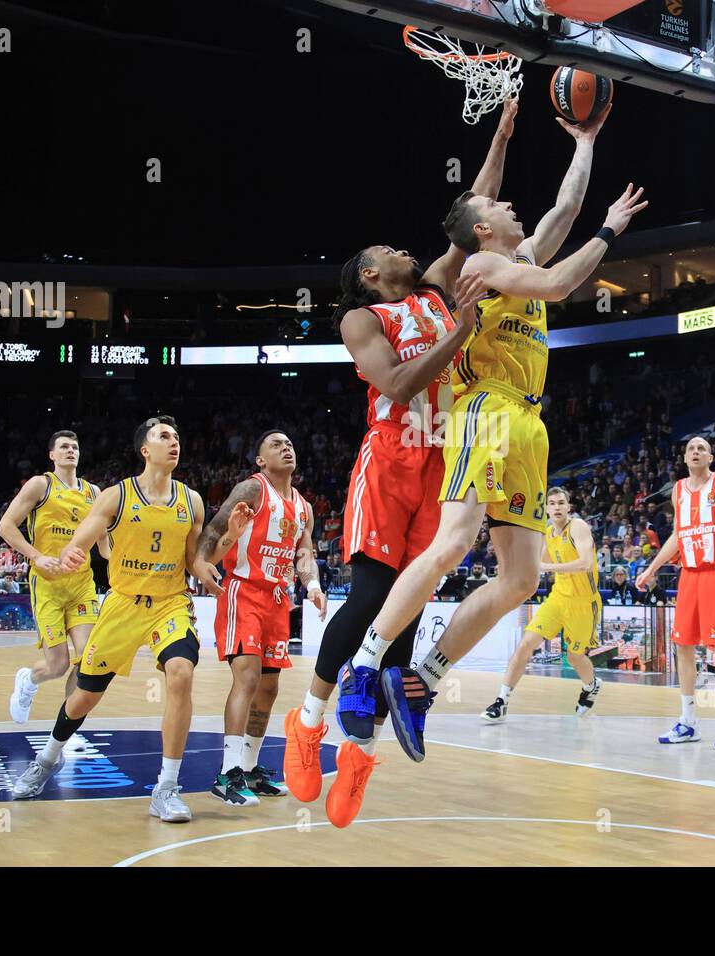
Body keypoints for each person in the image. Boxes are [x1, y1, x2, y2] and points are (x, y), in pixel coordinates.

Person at [337, 112, 645, 768]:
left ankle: (423, 676)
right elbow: (562, 284)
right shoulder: (481, 264)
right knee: (451, 545)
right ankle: (364, 665)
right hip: (486, 410)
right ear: (482, 228)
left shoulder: (520, 252)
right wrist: (611, 231)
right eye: (497, 204)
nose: (510, 203)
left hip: (529, 423)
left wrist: (585, 144)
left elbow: (566, 204)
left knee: (522, 578)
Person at [280, 102, 517, 824]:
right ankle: (310, 723)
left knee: (406, 625)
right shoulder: (364, 318)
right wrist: (462, 334)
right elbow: (396, 384)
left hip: (445, 461)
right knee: (369, 596)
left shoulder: (434, 289)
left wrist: (502, 136)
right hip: (390, 459)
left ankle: (357, 759)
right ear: (369, 274)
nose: (402, 250)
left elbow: (469, 215)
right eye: (386, 250)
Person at [12, 416, 206, 824]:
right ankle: (47, 759)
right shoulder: (116, 497)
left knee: (181, 674)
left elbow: (195, 562)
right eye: (164, 437)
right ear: (145, 450)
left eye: (177, 436)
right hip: (122, 605)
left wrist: (218, 550)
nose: (174, 442)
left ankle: (166, 788)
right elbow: (82, 542)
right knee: (83, 697)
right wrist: (70, 554)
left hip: (170, 603)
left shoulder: (192, 501)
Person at [194, 430, 326, 808]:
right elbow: (216, 527)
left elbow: (304, 553)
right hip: (244, 592)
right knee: (248, 677)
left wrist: (313, 584)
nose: (286, 448)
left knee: (269, 688)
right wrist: (202, 563)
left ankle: (250, 768)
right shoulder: (252, 490)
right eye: (276, 445)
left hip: (278, 599)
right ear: (260, 460)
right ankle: (227, 773)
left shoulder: (304, 507)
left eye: (289, 444)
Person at [636, 435, 715, 750]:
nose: (695, 451)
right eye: (690, 448)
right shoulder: (678, 491)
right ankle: (688, 721)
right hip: (689, 574)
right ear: (685, 457)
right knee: (683, 645)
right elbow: (678, 535)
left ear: (711, 456)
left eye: (702, 448)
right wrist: (652, 568)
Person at [0, 431, 110, 723]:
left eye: (75, 446)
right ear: (52, 455)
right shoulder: (41, 484)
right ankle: (28, 681)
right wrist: (36, 556)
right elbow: (6, 526)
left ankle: (67, 729)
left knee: (89, 660)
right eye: (64, 447)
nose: (70, 450)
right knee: (57, 665)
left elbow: (105, 547)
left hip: (82, 585)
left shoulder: (94, 493)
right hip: (47, 584)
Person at [482, 487, 601, 723]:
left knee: (575, 657)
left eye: (561, 503)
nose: (557, 507)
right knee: (525, 645)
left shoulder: (578, 527)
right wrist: (510, 567)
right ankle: (501, 701)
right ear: (546, 509)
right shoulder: (548, 532)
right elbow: (537, 563)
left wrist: (547, 568)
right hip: (557, 598)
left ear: (569, 507)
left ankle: (592, 685)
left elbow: (586, 563)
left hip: (584, 603)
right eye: (552, 504)